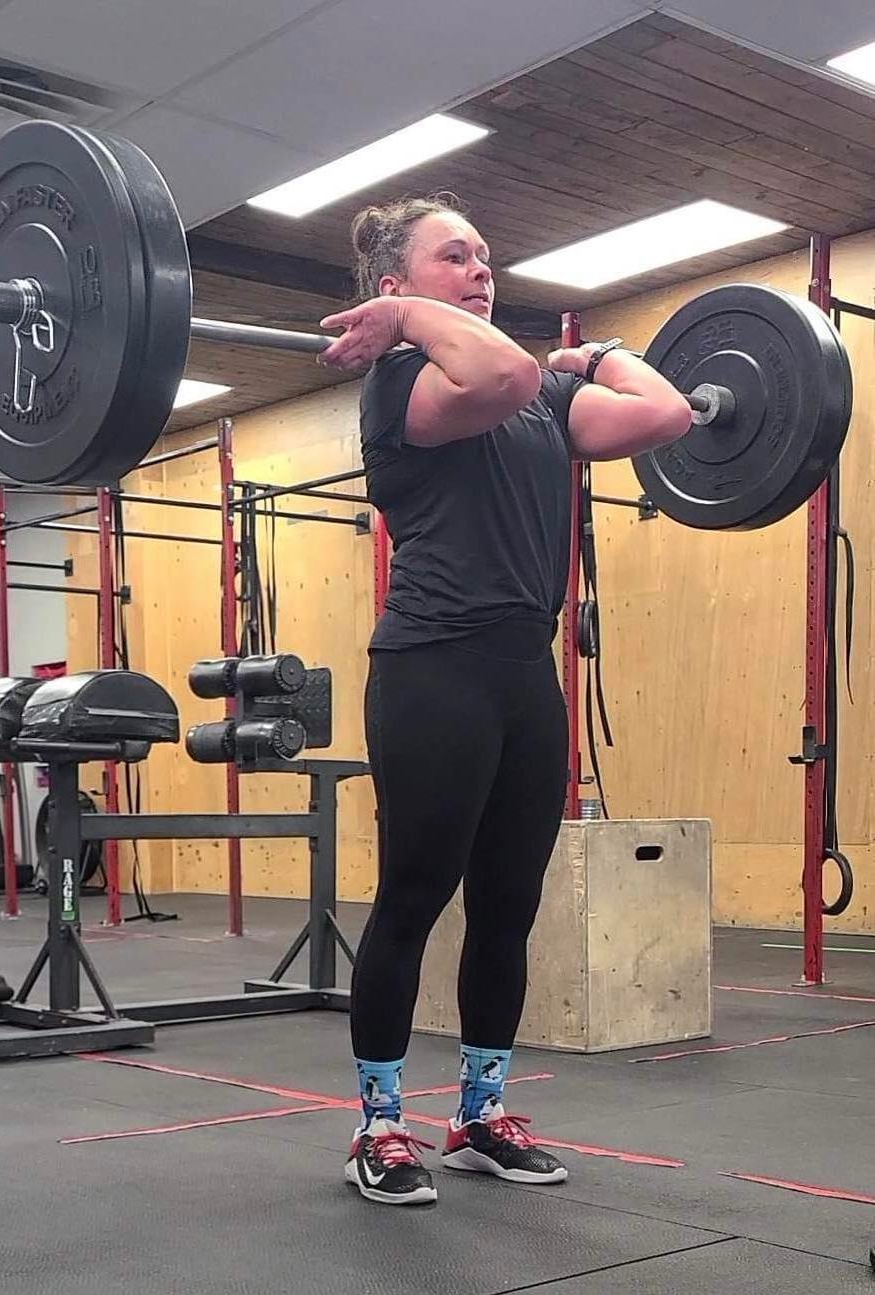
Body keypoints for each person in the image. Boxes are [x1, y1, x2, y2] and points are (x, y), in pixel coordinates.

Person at [318, 193, 691, 1206]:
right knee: (412, 898)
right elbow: (502, 368)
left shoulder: (539, 400)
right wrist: (399, 323)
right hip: (433, 668)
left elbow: (667, 413)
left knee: (509, 907)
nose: (483, 268)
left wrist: (603, 353)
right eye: (457, 256)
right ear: (397, 284)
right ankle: (380, 1124)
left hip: (527, 675)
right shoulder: (399, 382)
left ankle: (479, 1112)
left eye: (487, 254)